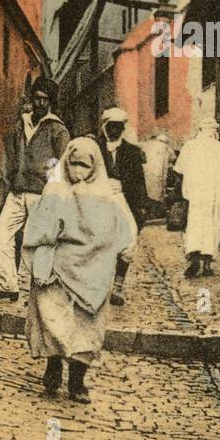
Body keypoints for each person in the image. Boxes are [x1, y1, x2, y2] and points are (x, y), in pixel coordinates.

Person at [22, 137, 137, 402]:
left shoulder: (107, 195)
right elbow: (40, 229)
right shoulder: (55, 190)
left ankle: (77, 381)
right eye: (74, 164)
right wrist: (43, 260)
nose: (78, 172)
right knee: (53, 320)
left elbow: (124, 232)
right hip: (59, 267)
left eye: (85, 166)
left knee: (87, 327)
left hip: (94, 270)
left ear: (95, 167)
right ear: (66, 162)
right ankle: (53, 366)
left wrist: (123, 247)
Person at [0, 78, 70, 303]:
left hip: (41, 195)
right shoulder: (20, 125)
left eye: (45, 99)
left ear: (51, 102)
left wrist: (52, 191)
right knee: (1, 238)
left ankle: (39, 295)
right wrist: (8, 178)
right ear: (32, 99)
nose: (40, 103)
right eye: (37, 98)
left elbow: (61, 164)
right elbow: (9, 154)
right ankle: (8, 286)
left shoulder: (57, 129)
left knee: (39, 245)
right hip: (16, 192)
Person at [98, 107, 148, 305]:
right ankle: (98, 286)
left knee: (128, 241)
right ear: (104, 126)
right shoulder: (95, 148)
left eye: (118, 127)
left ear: (123, 128)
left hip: (122, 200)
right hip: (97, 200)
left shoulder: (132, 152)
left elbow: (139, 181)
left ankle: (117, 287)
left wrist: (141, 206)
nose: (114, 130)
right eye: (111, 126)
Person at [173, 118, 220, 278]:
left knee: (197, 226)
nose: (210, 131)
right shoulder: (218, 148)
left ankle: (200, 262)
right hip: (206, 195)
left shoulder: (194, 146)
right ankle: (202, 263)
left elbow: (178, 171)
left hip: (203, 195)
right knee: (207, 226)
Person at [142, 129, 173, 217]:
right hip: (158, 174)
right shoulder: (165, 146)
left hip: (146, 173)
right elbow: (173, 157)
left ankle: (149, 212)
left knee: (148, 193)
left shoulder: (146, 145)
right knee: (157, 194)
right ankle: (156, 213)